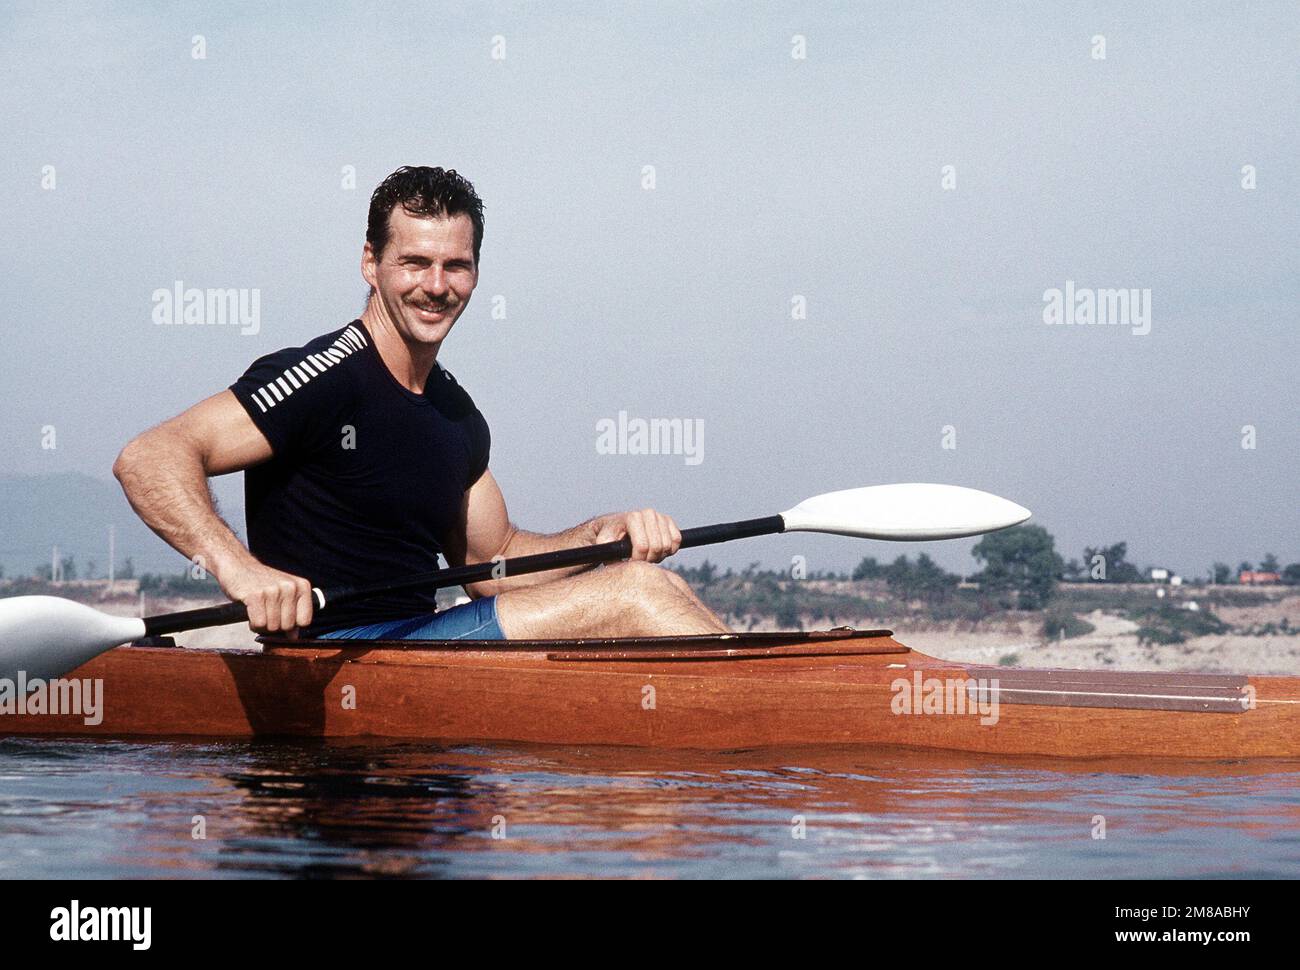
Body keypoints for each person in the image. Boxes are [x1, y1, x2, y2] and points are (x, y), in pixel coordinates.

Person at [113, 166, 729, 641]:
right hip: (332, 655)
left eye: (455, 266)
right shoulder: (323, 377)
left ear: (476, 274)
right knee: (638, 594)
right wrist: (240, 571)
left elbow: (493, 562)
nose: (436, 286)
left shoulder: (455, 413)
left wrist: (600, 533)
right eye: (415, 263)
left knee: (658, 586)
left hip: (417, 648)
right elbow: (149, 456)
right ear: (370, 263)